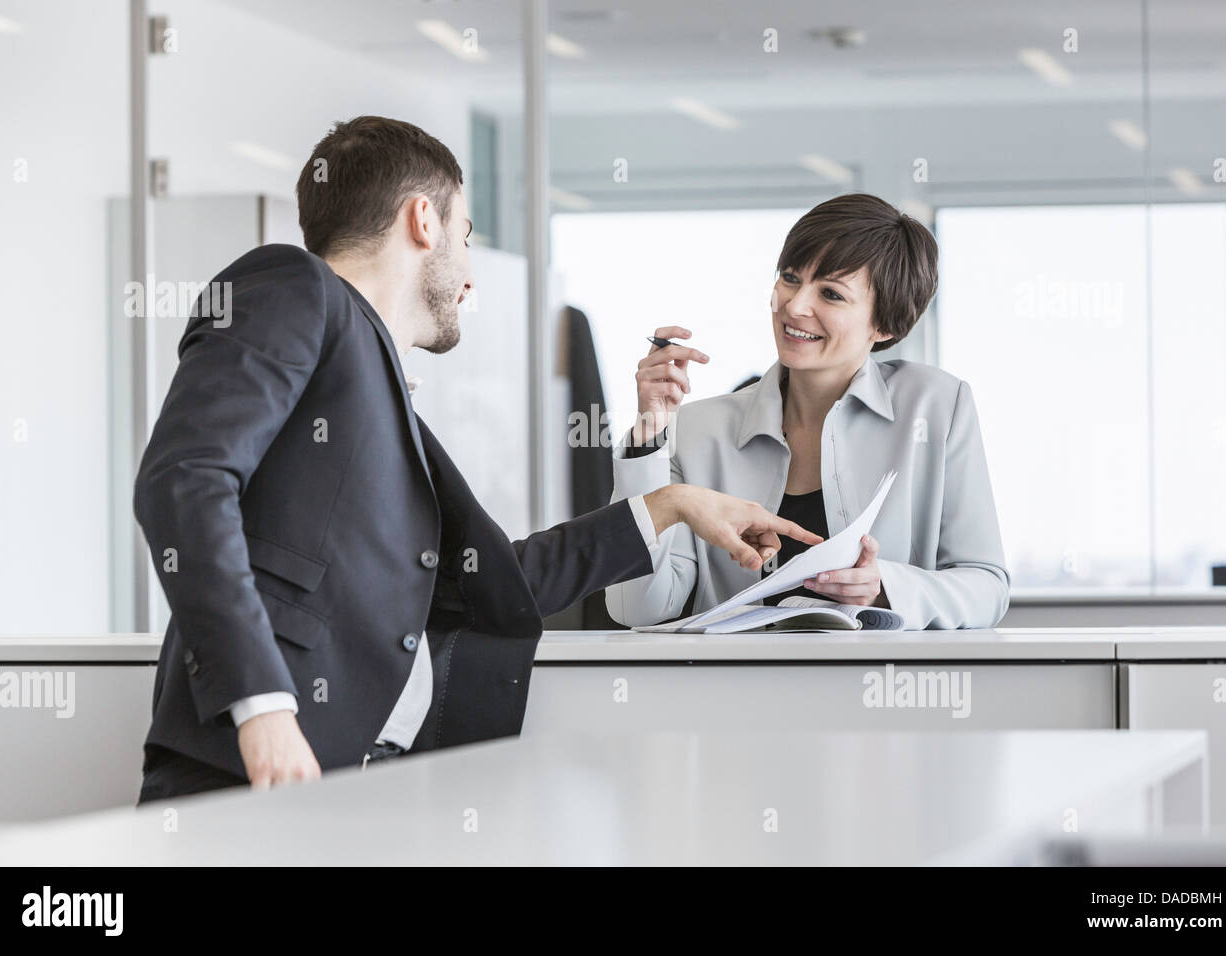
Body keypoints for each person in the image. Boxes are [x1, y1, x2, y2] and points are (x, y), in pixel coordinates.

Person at [133, 116, 820, 802]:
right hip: (262, 771)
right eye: (466, 237)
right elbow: (184, 478)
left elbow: (492, 581)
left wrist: (673, 505)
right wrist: (263, 704)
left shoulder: (376, 401)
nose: (468, 273)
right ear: (422, 220)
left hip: (362, 787)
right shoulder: (292, 286)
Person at [606, 193, 1009, 630]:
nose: (795, 306)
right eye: (790, 278)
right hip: (732, 691)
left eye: (831, 294)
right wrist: (649, 437)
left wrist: (885, 585)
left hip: (884, 689)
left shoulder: (936, 407)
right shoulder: (698, 431)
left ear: (885, 325)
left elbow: (986, 586)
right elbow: (636, 609)